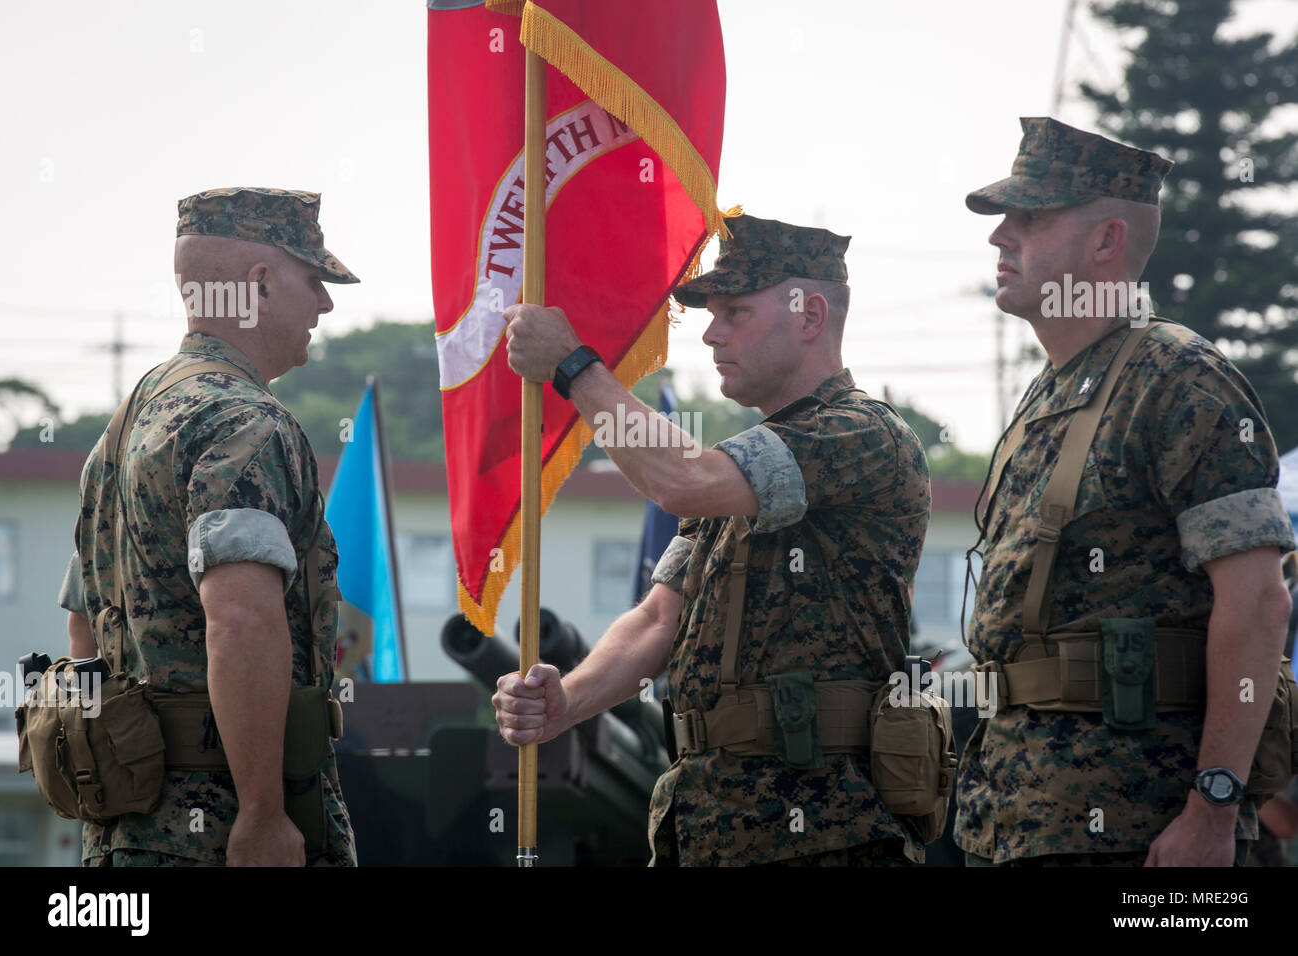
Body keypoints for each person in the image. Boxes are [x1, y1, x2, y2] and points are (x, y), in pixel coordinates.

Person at [495, 214, 932, 865]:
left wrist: (574, 367)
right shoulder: (742, 473)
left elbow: (682, 480)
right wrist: (568, 701)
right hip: (709, 826)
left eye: (735, 311)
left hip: (823, 829)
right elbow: (656, 620)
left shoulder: (860, 433)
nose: (710, 332)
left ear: (810, 316)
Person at [957, 117, 1296, 867]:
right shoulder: (1052, 394)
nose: (1000, 238)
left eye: (1031, 217)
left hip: (1140, 834)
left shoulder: (1179, 379)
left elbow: (1259, 601)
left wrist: (1213, 808)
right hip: (1017, 824)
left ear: (1106, 241)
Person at [56, 187, 359, 866]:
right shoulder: (243, 422)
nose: (326, 304)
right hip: (221, 819)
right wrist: (262, 813)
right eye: (314, 280)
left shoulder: (129, 423)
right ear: (259, 284)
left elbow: (83, 624)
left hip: (129, 823)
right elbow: (241, 620)